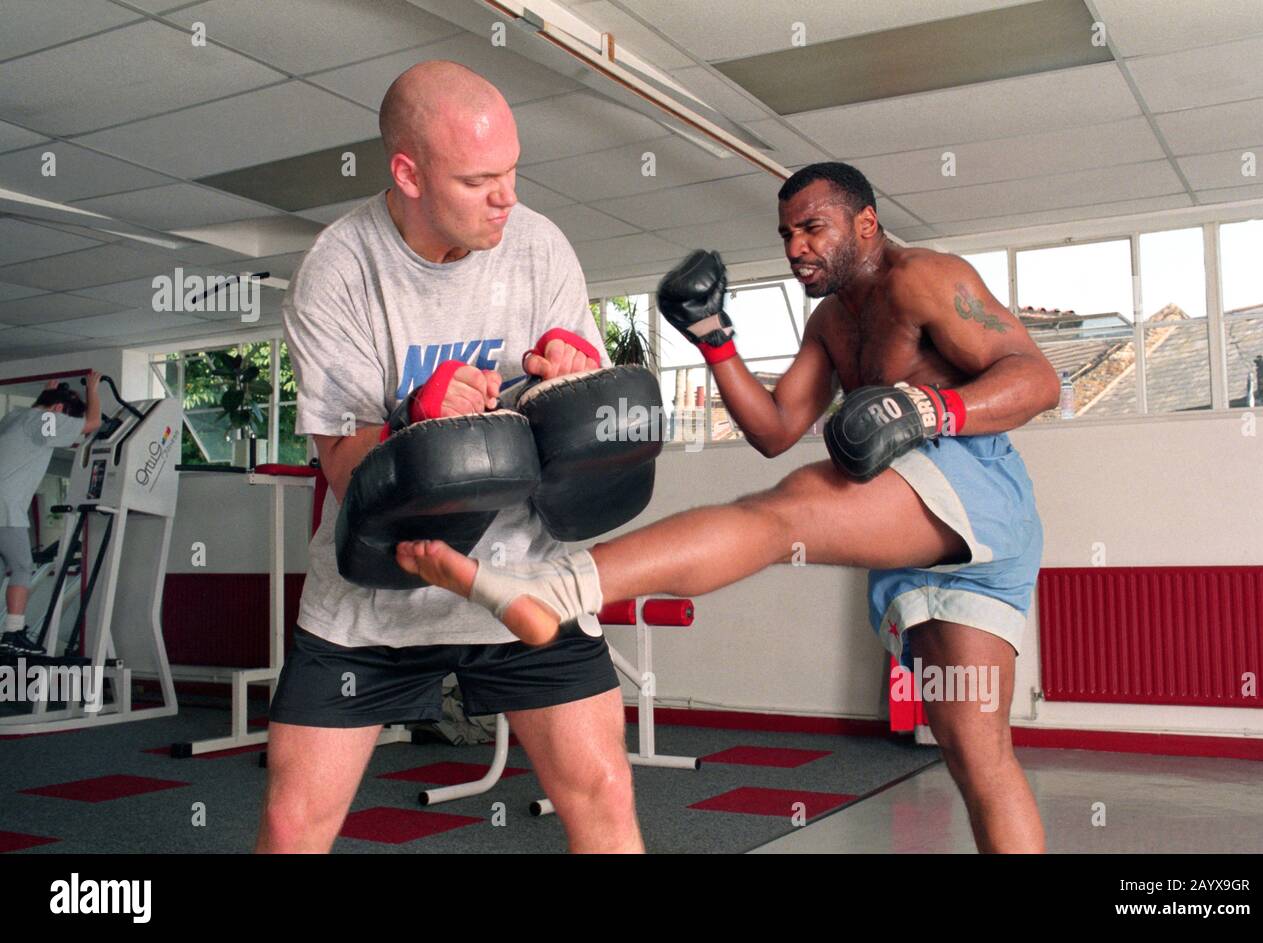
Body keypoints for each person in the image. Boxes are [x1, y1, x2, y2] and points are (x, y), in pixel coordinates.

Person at [395, 162, 1060, 853]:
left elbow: (1037, 378)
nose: (796, 247)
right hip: (941, 541)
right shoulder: (833, 320)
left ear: (866, 223)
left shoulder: (925, 278)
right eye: (785, 234)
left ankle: (556, 589)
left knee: (782, 515)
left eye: (812, 227)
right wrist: (714, 337)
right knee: (976, 756)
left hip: (972, 486)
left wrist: (927, 406)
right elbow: (775, 428)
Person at [260, 61, 643, 854]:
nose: (507, 196)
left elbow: (573, 435)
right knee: (294, 822)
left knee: (605, 794)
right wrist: (413, 417)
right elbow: (340, 464)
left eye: (512, 171)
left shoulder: (539, 246)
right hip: (376, 590)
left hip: (522, 573)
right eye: (479, 180)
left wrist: (569, 385)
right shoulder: (339, 271)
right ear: (408, 172)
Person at [0, 373, 102, 655]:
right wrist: (93, 389)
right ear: (58, 412)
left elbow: (42, 414)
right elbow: (93, 423)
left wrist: (49, 393)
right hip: (5, 510)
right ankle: (13, 634)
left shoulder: (15, 417)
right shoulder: (43, 421)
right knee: (21, 567)